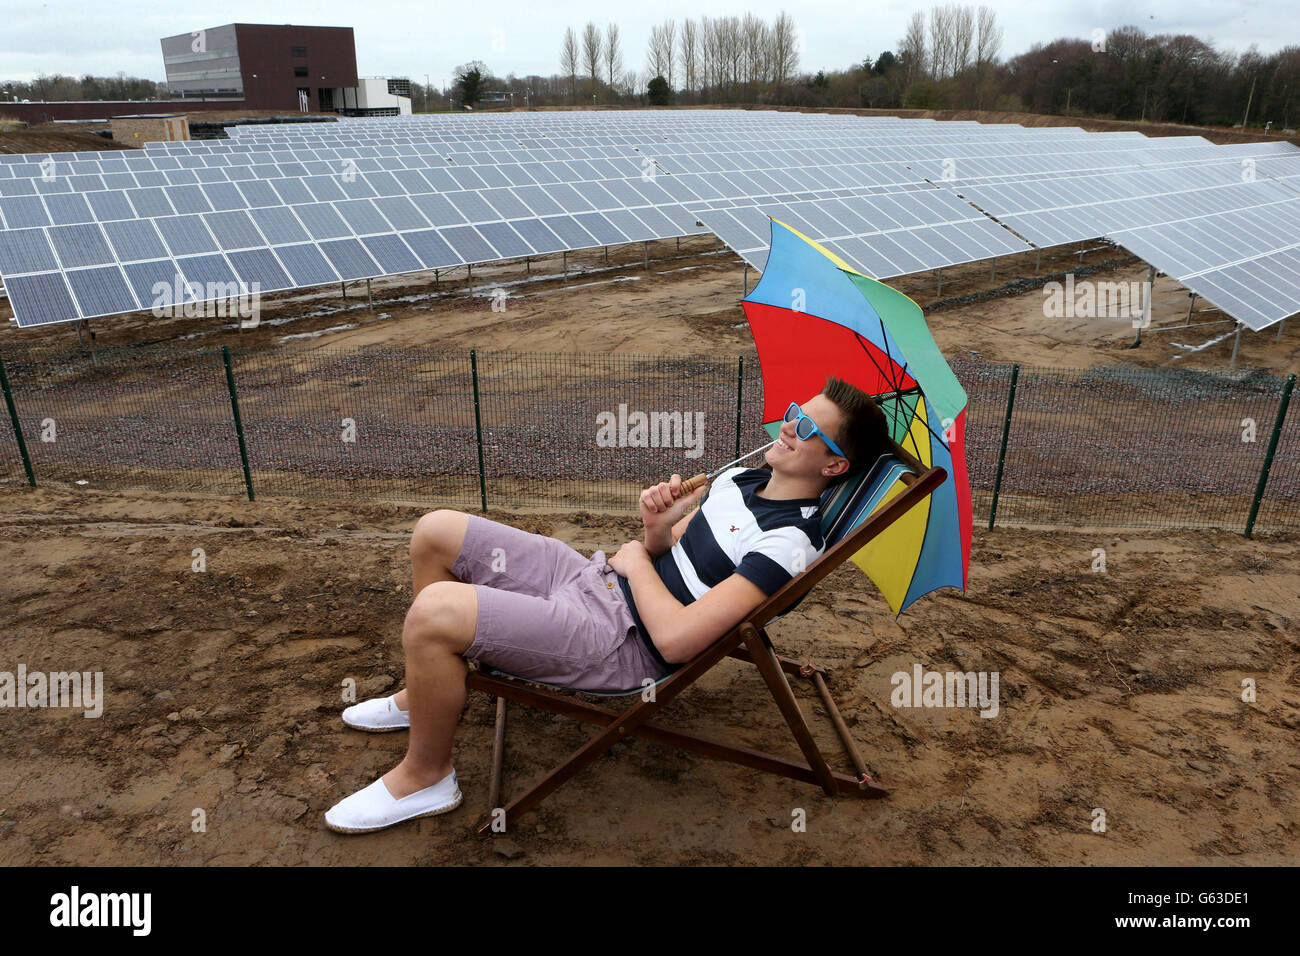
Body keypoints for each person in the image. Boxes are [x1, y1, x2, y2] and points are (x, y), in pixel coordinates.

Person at [323, 376, 891, 833]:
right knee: (436, 530)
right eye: (795, 410)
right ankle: (420, 694)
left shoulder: (787, 544)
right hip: (596, 580)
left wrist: (638, 563)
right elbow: (666, 554)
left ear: (835, 466)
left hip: (622, 644)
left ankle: (427, 776)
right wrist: (656, 531)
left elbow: (675, 641)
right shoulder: (739, 481)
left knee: (434, 614)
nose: (788, 425)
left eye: (809, 427)